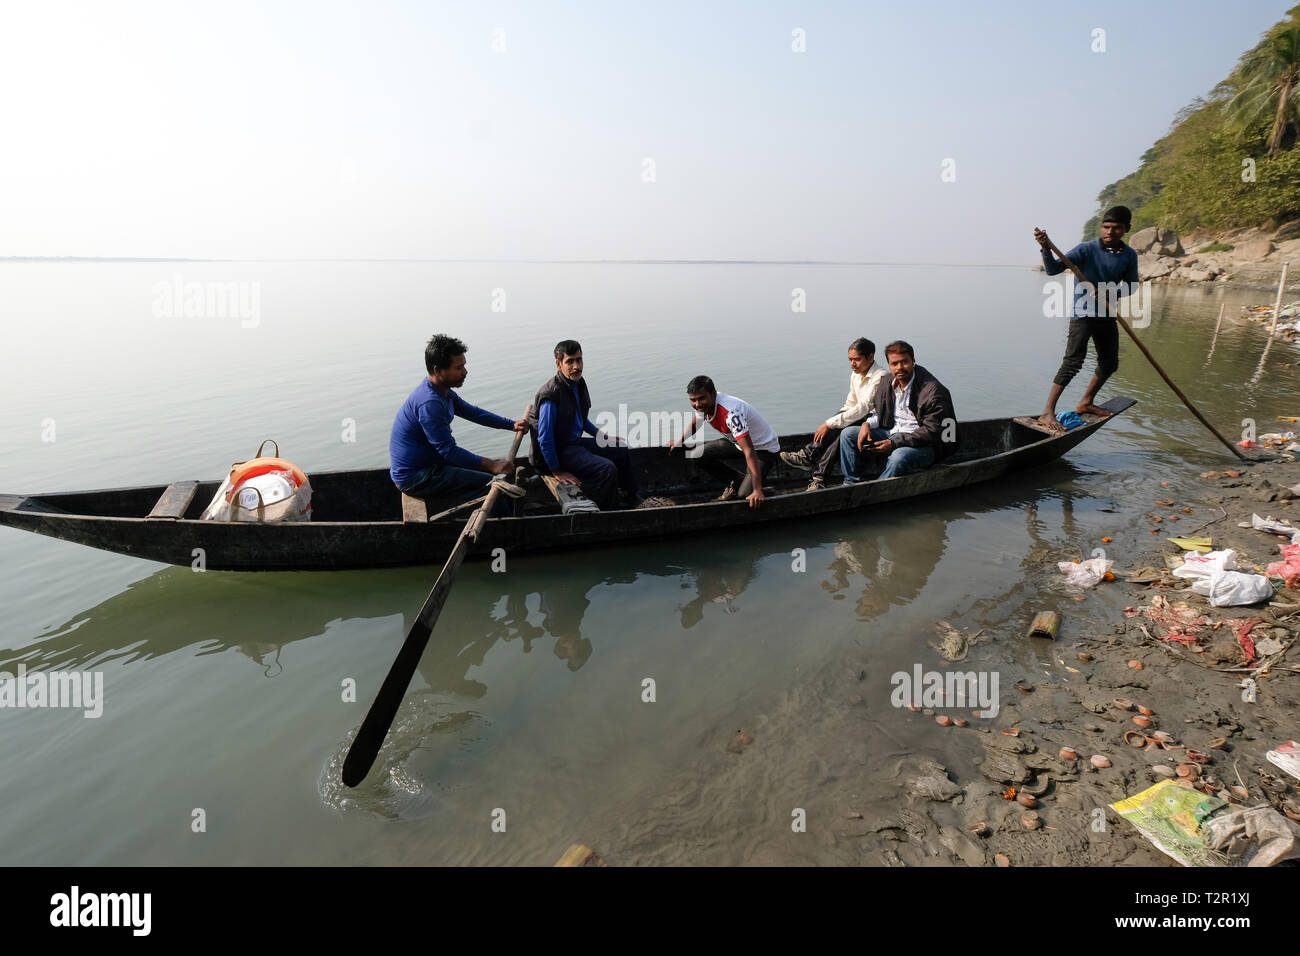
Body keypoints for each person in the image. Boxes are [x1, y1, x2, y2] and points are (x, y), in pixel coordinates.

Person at [389, 333, 527, 506]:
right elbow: (449, 451)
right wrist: (491, 464)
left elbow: (473, 413)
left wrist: (511, 424)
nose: (465, 372)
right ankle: (503, 527)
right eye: (458, 368)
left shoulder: (443, 391)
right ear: (438, 370)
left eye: (464, 366)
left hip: (432, 463)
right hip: (416, 476)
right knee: (494, 486)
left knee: (485, 475)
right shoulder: (430, 403)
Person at [1034, 205, 1140, 431]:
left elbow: (1132, 286)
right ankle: (1047, 412)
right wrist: (1045, 249)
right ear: (1101, 227)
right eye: (1106, 227)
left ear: (1127, 229)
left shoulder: (1129, 256)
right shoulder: (1086, 249)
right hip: (1082, 314)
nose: (1109, 232)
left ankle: (1086, 402)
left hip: (1106, 314)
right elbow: (1053, 270)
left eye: (1116, 228)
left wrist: (1113, 291)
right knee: (1073, 362)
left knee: (1109, 363)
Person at [528, 339, 639, 509]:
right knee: (606, 469)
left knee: (621, 449)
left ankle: (630, 497)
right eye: (570, 361)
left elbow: (578, 417)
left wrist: (601, 436)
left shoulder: (577, 383)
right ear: (559, 364)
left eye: (579, 360)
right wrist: (557, 471)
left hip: (573, 444)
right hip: (558, 452)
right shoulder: (551, 395)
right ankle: (608, 512)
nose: (576, 366)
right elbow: (545, 439)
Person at [840, 341, 957, 482]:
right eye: (894, 364)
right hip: (892, 433)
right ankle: (851, 483)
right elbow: (880, 413)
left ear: (913, 361)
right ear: (889, 365)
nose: (900, 368)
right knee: (848, 434)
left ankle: (877, 490)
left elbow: (933, 431)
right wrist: (867, 425)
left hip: (924, 445)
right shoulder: (886, 382)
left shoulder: (933, 391)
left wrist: (895, 443)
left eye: (904, 362)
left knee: (898, 457)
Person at [780, 337, 887, 491]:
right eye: (850, 360)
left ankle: (813, 466)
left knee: (841, 428)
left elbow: (863, 408)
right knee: (840, 421)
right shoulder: (855, 375)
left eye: (856, 359)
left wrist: (829, 424)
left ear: (870, 357)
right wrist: (832, 422)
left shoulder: (880, 376)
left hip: (873, 424)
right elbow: (850, 404)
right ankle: (811, 464)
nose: (852, 364)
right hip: (857, 419)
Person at [669, 376, 780, 509]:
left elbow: (749, 450)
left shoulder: (731, 413)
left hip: (763, 449)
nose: (697, 404)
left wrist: (757, 490)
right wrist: (679, 441)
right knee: (696, 455)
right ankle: (738, 480)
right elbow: (696, 423)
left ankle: (761, 489)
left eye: (701, 399)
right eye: (693, 400)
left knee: (744, 495)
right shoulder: (703, 407)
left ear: (713, 394)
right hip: (737, 443)